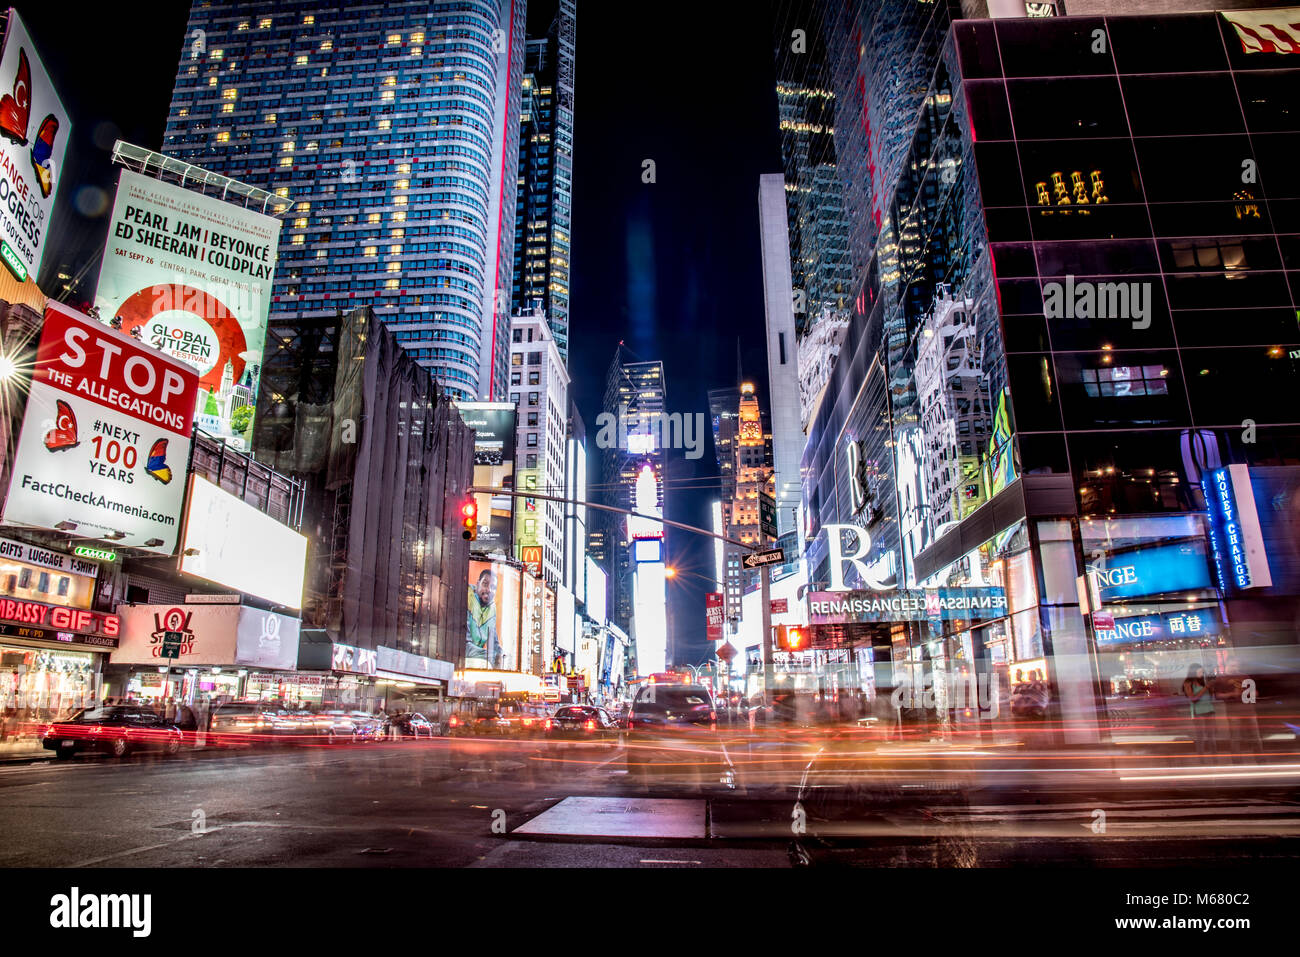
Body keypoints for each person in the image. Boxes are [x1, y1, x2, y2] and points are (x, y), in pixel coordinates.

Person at [1213, 659, 1262, 763]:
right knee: (1236, 737)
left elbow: (1256, 693)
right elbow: (1217, 695)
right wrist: (1231, 694)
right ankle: (1237, 761)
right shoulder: (1221, 679)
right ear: (1227, 666)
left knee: (1255, 736)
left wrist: (1248, 693)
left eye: (1236, 665)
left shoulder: (1245, 677)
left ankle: (1260, 759)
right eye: (1232, 665)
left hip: (1248, 710)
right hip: (1233, 712)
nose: (1235, 668)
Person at [1182, 664, 1217, 759]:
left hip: (1209, 710)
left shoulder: (1203, 681)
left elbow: (1211, 696)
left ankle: (1215, 758)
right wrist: (1206, 687)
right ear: (1194, 672)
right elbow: (1193, 698)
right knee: (1200, 737)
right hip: (1198, 712)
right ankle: (1201, 758)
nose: (1202, 673)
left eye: (1202, 672)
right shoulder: (1188, 683)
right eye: (1200, 672)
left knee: (1212, 737)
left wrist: (1211, 687)